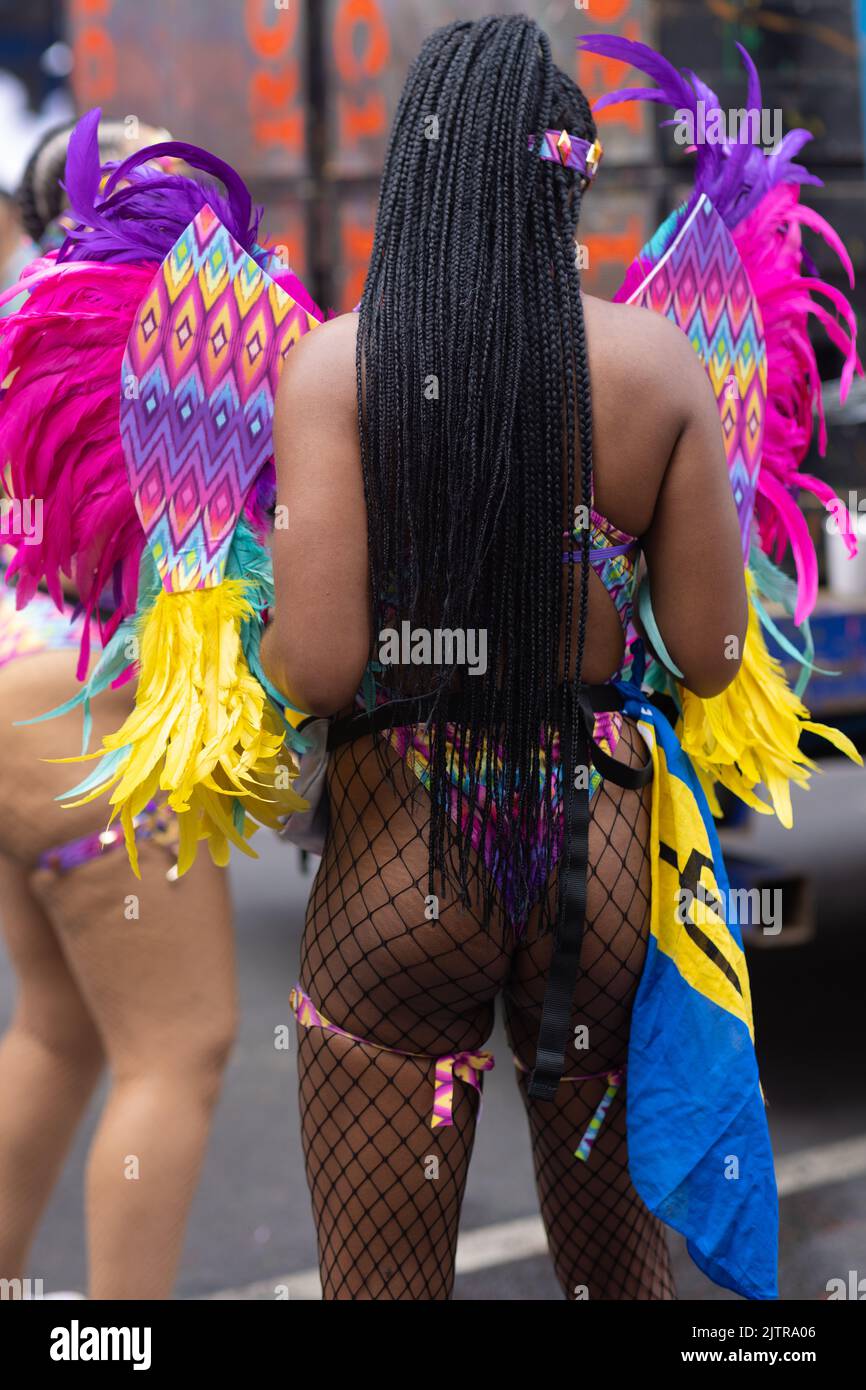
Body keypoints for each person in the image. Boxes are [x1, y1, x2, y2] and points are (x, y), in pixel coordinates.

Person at [262, 15, 859, 1301]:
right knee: (613, 1282)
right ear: (569, 182)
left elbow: (314, 666)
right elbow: (706, 656)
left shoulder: (332, 367)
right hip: (594, 870)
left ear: (416, 173)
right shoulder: (658, 364)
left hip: (395, 863)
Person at [0, 120, 235, 1302]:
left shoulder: (26, 323)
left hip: (17, 711)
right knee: (174, 1050)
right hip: (88, 719)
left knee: (57, 1026)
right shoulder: (165, 333)